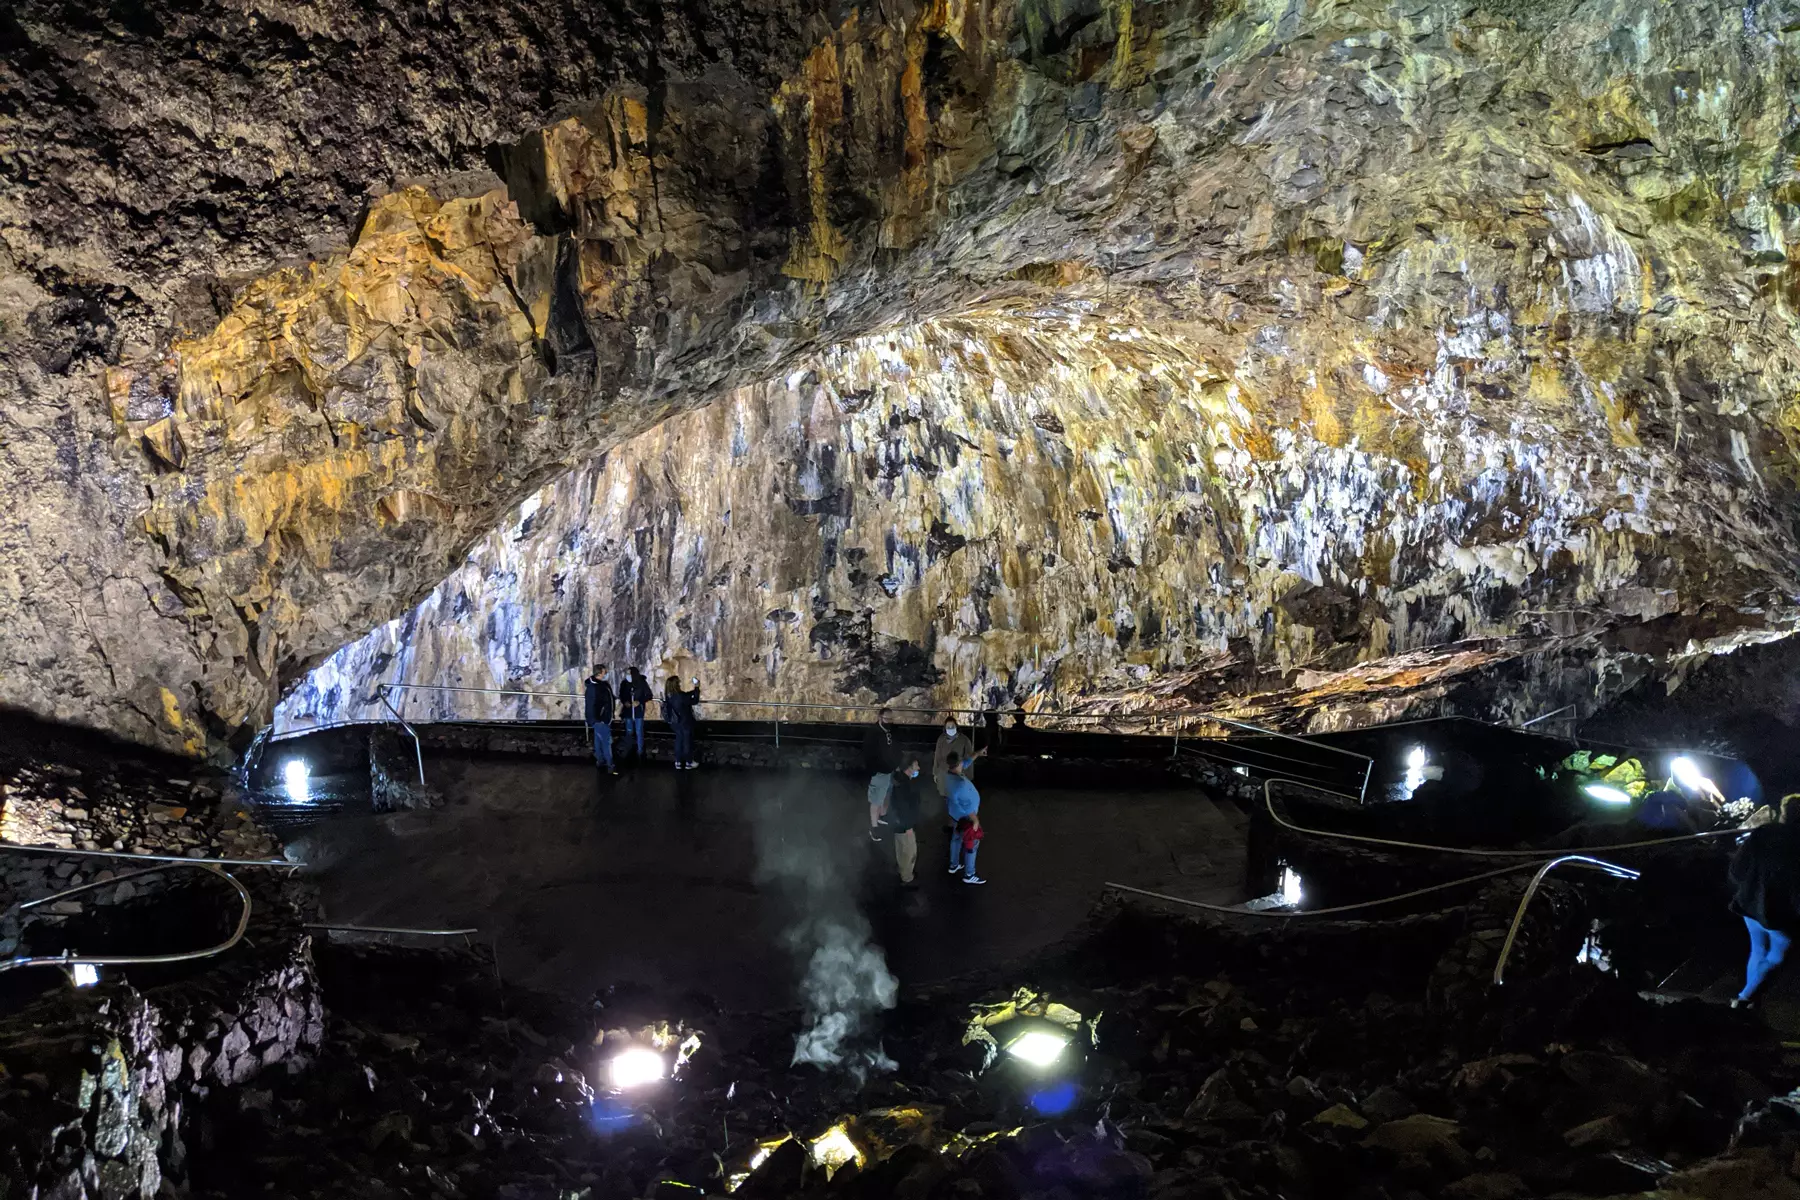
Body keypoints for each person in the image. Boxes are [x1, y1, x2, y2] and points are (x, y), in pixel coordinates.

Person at [1729, 795, 1800, 1005]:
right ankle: (1744, 999)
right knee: (1778, 955)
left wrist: (1745, 886)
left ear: (1784, 813)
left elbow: (1737, 868)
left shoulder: (1764, 832)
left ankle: (1749, 999)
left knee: (1758, 949)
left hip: (1749, 901)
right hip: (1778, 909)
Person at [945, 749, 985, 885]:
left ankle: (954, 864)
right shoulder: (960, 784)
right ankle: (969, 873)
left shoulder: (950, 774)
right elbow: (966, 804)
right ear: (959, 763)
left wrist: (978, 753)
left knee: (956, 839)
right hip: (966, 817)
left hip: (956, 815)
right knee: (971, 842)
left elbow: (967, 762)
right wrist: (975, 820)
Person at [888, 757, 923, 888]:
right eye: (916, 765)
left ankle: (902, 870)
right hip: (904, 824)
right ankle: (907, 877)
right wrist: (908, 825)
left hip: (897, 823)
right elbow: (904, 806)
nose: (918, 768)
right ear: (908, 768)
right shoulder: (905, 784)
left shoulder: (898, 780)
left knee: (900, 848)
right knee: (909, 851)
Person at [582, 666, 617, 774]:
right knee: (606, 742)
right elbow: (594, 705)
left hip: (598, 719)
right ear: (600, 673)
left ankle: (600, 761)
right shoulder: (597, 687)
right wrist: (600, 719)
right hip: (601, 720)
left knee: (598, 741)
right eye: (604, 672)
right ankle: (610, 765)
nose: (606, 673)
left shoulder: (596, 685)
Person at [663, 675, 702, 769]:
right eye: (679, 682)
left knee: (678, 741)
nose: (680, 683)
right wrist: (697, 688)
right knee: (687, 742)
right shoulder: (680, 696)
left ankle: (678, 762)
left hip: (675, 723)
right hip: (685, 722)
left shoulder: (669, 695)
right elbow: (694, 701)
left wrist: (693, 691)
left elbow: (685, 695)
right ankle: (689, 762)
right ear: (676, 684)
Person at [621, 667, 651, 761]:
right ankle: (629, 751)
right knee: (629, 731)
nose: (628, 676)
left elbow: (649, 695)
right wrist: (625, 702)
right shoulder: (624, 683)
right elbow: (621, 694)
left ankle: (640, 752)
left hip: (638, 711)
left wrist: (639, 701)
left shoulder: (642, 682)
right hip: (628, 711)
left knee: (639, 731)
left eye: (629, 674)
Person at [863, 707, 899, 775]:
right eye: (886, 719)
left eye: (891, 719)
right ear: (880, 718)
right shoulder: (872, 733)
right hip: (878, 772)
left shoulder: (892, 730)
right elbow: (868, 753)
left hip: (891, 770)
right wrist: (873, 771)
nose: (889, 721)